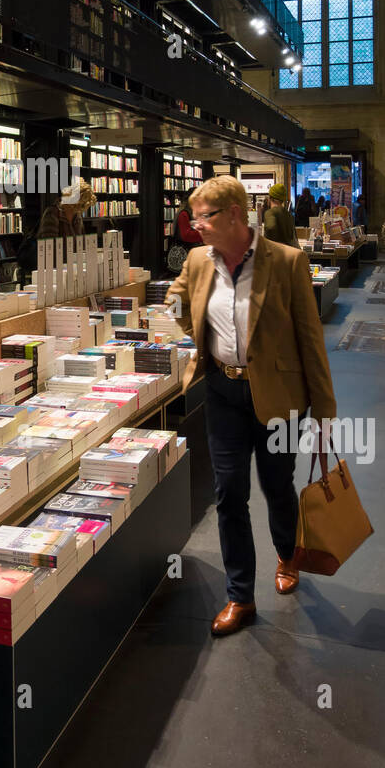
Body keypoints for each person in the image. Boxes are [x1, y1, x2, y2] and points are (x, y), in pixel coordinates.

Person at [165, 176, 337, 637]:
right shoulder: (200, 260)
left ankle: (287, 554)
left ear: (237, 215)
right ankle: (240, 595)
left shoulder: (286, 261)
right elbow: (177, 298)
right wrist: (199, 333)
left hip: (278, 397)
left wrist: (324, 411)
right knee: (228, 492)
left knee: (278, 485)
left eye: (205, 216)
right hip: (222, 391)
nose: (195, 225)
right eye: (194, 215)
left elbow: (310, 340)